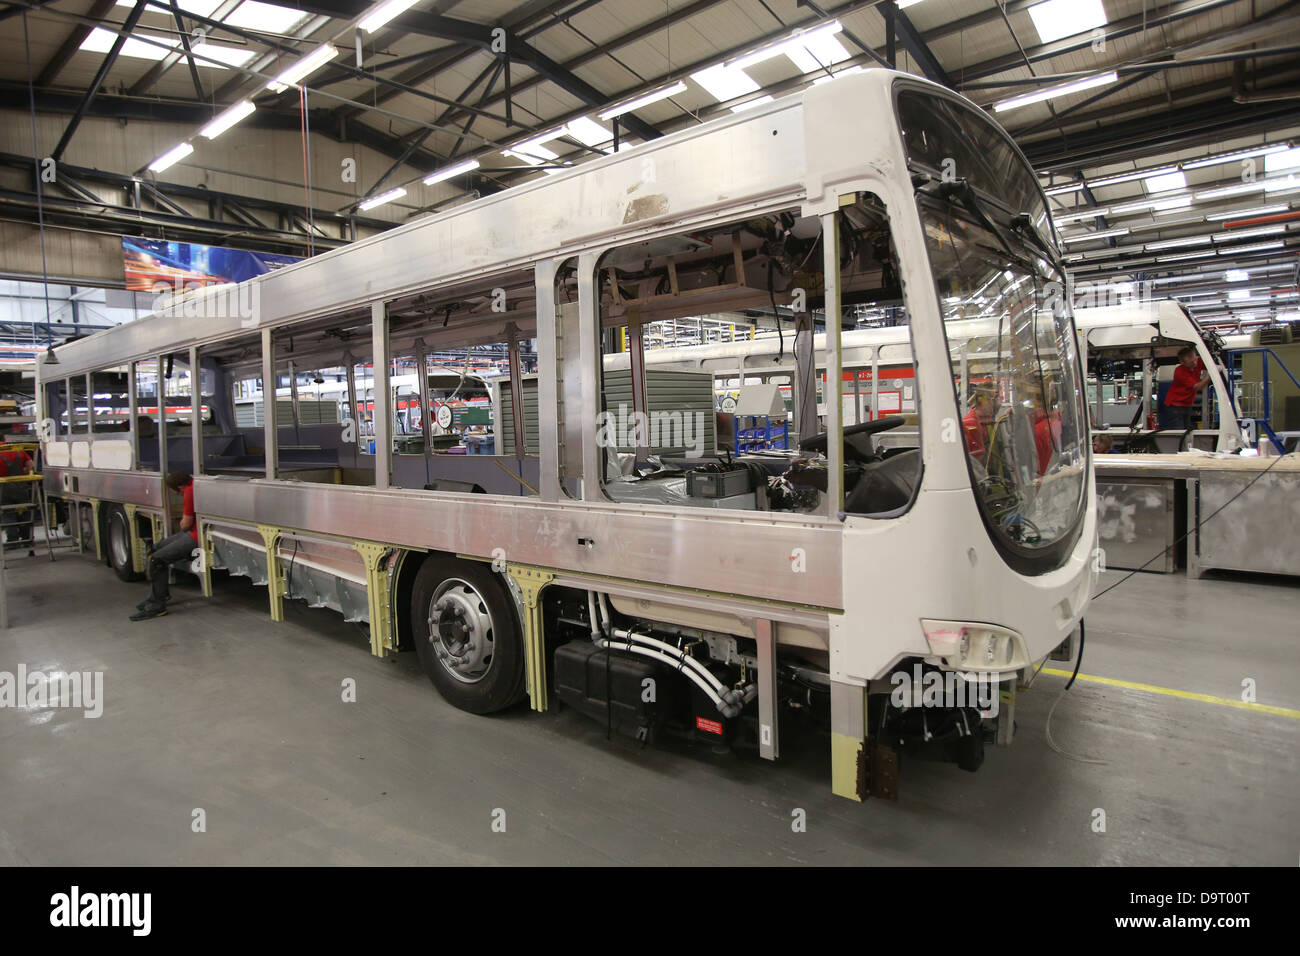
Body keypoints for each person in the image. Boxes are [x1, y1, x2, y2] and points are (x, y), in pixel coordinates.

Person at [131, 470, 197, 621]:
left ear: (179, 487)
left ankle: (157, 605)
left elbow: (185, 525)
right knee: (155, 549)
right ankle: (160, 593)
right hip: (194, 532)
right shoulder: (194, 485)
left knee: (156, 560)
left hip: (194, 536)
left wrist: (182, 523)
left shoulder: (188, 492)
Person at [1163, 346, 1210, 431]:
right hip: (1175, 406)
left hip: (1187, 404)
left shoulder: (1197, 362)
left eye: (1195, 360)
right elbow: (1197, 387)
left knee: (1187, 431)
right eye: (1191, 363)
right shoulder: (1180, 372)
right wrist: (1210, 375)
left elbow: (1210, 364)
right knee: (1179, 431)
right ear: (1182, 362)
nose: (1195, 364)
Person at [0, 445, 35, 553]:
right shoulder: (17, 449)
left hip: (3, 488)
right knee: (24, 512)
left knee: (7, 513)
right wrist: (24, 474)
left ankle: (12, 541)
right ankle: (27, 540)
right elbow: (31, 467)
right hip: (21, 486)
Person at [962, 387, 997, 465]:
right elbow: (975, 459)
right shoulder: (970, 424)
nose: (994, 404)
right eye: (992, 400)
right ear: (983, 401)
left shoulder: (984, 422)